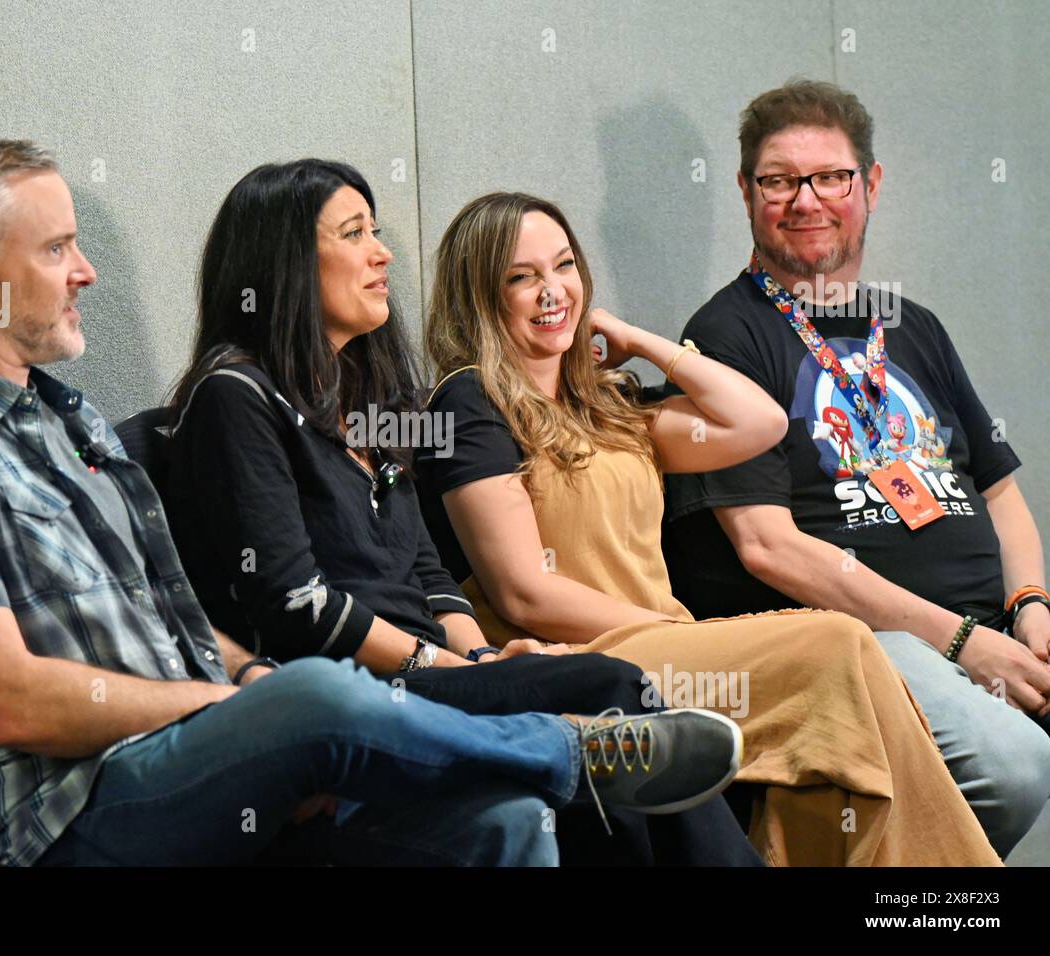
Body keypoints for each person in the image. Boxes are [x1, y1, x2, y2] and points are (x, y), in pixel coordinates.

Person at [0, 137, 736, 868]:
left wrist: (251, 693)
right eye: (57, 247)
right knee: (319, 694)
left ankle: (538, 756)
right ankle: (572, 751)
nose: (87, 272)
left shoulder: (71, 422)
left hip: (207, 752)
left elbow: (178, 618)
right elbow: (7, 702)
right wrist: (244, 715)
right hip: (79, 813)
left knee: (496, 821)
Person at [162, 158, 756, 865]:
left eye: (376, 230)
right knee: (613, 685)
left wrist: (479, 654)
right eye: (354, 234)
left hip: (431, 668)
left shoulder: (369, 404)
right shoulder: (237, 395)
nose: (383, 253)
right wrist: (439, 661)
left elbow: (426, 568)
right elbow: (293, 602)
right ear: (285, 261)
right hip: (352, 689)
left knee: (608, 766)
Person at [418, 188, 1002, 865]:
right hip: (586, 665)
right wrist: (678, 634)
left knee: (830, 763)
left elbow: (758, 423)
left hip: (672, 649)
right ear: (480, 296)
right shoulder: (470, 403)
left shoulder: (610, 405)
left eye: (564, 266)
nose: (553, 292)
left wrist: (639, 341)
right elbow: (525, 594)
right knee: (836, 642)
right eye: (522, 278)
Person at [657, 80, 1050, 857]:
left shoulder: (913, 326)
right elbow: (767, 546)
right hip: (855, 643)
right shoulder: (725, 336)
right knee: (1012, 767)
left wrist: (1032, 607)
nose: (807, 200)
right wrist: (963, 641)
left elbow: (999, 493)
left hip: (987, 632)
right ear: (745, 192)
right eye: (779, 180)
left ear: (869, 184)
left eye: (831, 177)